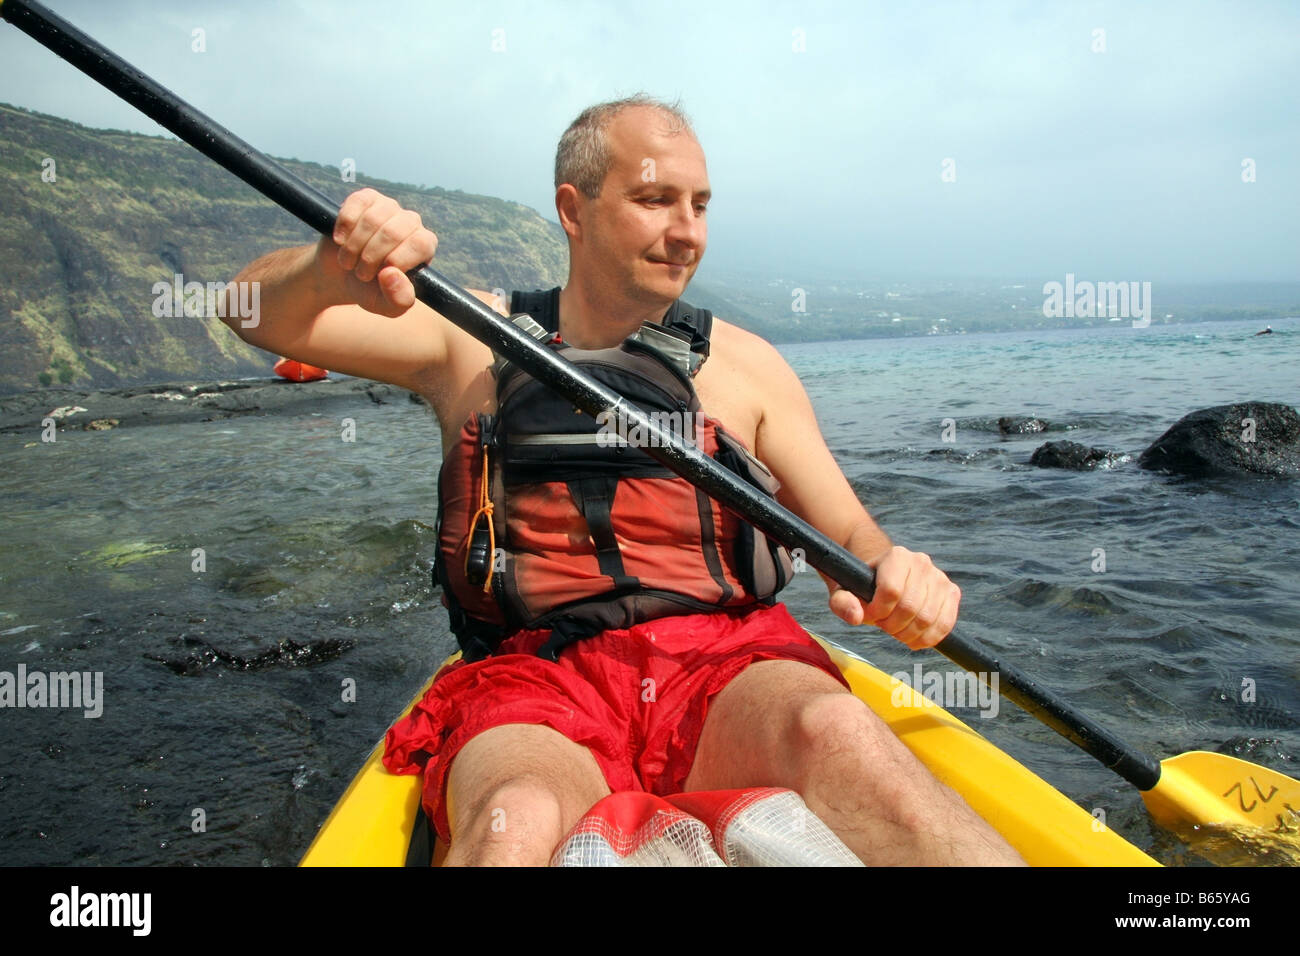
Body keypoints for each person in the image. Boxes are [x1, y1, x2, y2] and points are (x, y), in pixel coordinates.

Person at [224, 95, 1024, 866]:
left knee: (841, 737)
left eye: (700, 205)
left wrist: (898, 571)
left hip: (724, 667)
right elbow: (252, 309)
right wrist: (331, 265)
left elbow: (852, 537)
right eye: (654, 199)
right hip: (534, 677)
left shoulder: (748, 368)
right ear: (573, 209)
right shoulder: (472, 337)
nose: (686, 233)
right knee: (517, 824)